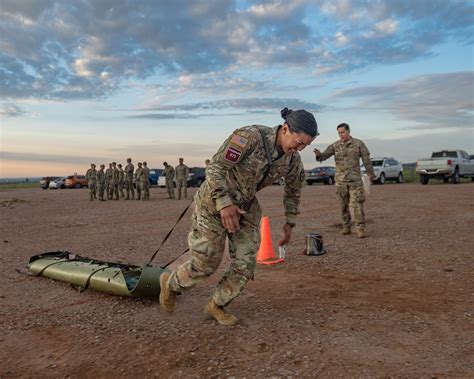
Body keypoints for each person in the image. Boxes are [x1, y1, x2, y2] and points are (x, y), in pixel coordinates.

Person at [160, 107, 318, 326]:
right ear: (285, 129)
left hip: (245, 205)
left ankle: (217, 304)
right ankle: (171, 283)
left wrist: (290, 223)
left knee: (246, 261)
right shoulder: (249, 137)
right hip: (213, 202)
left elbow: (293, 191)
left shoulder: (292, 161)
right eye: (299, 142)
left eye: (305, 146)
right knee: (207, 261)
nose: (299, 148)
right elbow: (215, 168)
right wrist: (224, 204)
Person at [313, 123, 374, 238]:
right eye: (339, 133)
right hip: (341, 181)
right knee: (343, 205)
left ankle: (360, 228)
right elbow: (324, 156)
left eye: (343, 132)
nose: (341, 135)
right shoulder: (335, 146)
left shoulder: (358, 144)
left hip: (355, 180)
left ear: (348, 131)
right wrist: (319, 155)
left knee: (357, 204)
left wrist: (370, 173)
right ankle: (346, 226)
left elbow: (366, 159)